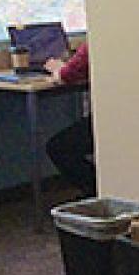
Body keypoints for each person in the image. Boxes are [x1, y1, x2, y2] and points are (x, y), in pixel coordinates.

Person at [43, 42, 96, 196]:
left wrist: (56, 68)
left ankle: (95, 190)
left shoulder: (94, 41)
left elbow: (67, 75)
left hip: (109, 120)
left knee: (59, 147)